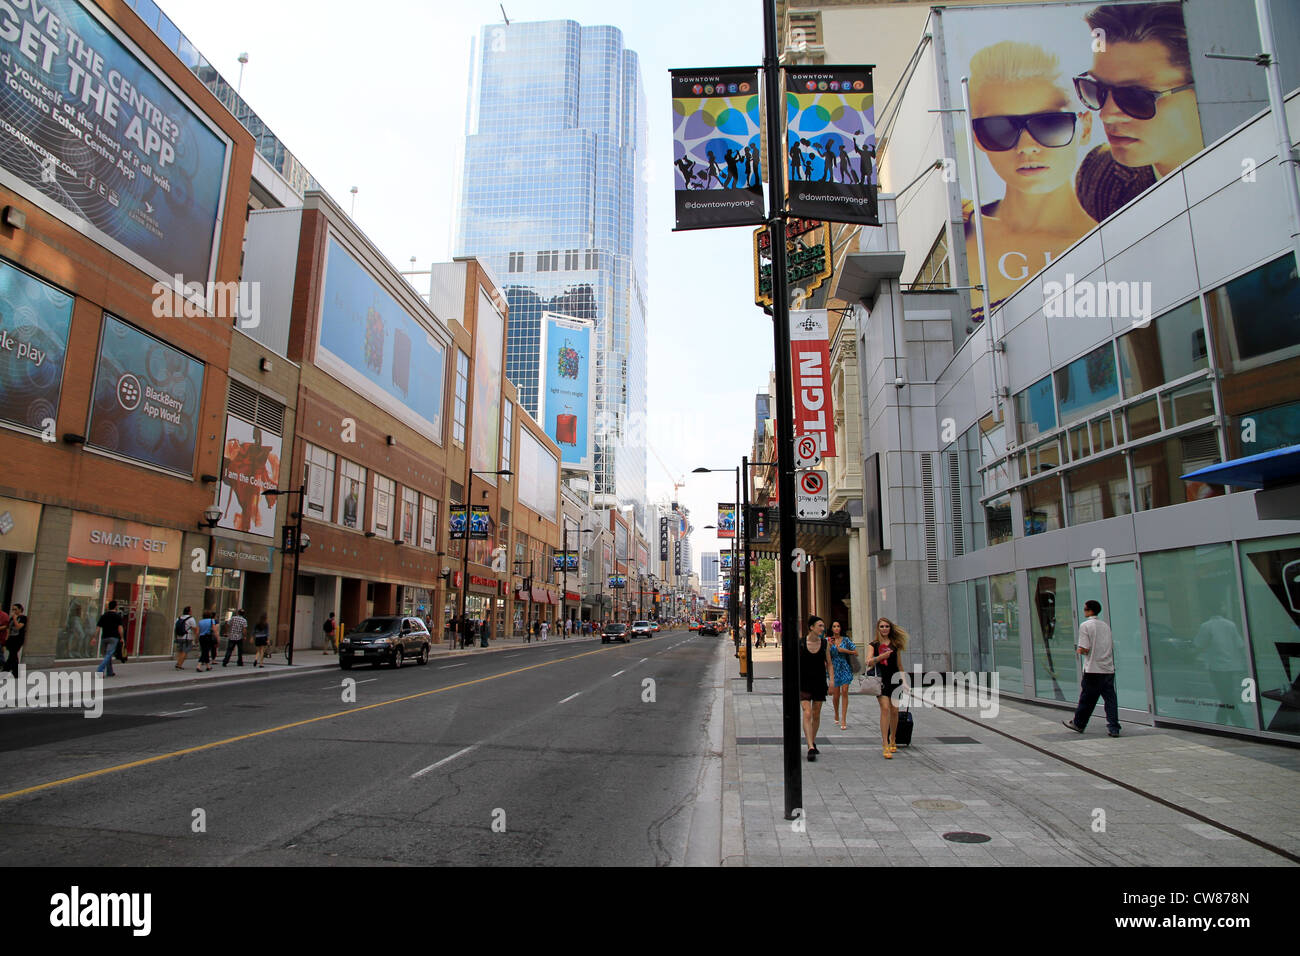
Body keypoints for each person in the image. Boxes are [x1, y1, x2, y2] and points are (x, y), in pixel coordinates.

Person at [964, 40, 1097, 323]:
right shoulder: (959, 235)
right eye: (999, 129)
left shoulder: (1112, 242)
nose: (1026, 147)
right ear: (977, 138)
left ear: (1084, 126)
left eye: (1049, 124)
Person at [1073, 3, 1203, 223]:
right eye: (1097, 90)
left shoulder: (1262, 163)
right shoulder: (1100, 175)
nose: (1106, 115)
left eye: (1136, 97)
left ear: (1204, 90)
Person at [1063, 599, 1121, 737]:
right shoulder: (1105, 626)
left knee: (1087, 699)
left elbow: (1084, 649)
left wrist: (1078, 650)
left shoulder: (1085, 625)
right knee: (1110, 700)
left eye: (1084, 609)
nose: (1084, 611)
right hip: (1108, 668)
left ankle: (1078, 723)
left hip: (1093, 669)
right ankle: (1114, 728)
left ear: (1089, 610)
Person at [866, 617, 909, 758]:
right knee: (885, 709)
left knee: (895, 710)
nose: (884, 629)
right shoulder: (873, 644)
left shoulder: (895, 645)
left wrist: (904, 682)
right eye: (882, 627)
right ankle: (885, 743)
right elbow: (868, 662)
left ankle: (893, 738)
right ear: (878, 629)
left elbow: (899, 665)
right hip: (881, 680)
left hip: (895, 679)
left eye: (887, 627)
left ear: (890, 628)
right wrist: (881, 656)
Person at [799, 616, 834, 762]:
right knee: (807, 713)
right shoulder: (801, 643)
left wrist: (832, 681)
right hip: (804, 682)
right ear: (811, 627)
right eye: (820, 625)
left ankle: (812, 741)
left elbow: (829, 663)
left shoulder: (825, 643)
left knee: (816, 713)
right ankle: (810, 746)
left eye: (823, 626)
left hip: (819, 682)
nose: (822, 628)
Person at [827, 621, 858, 731]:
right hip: (834, 668)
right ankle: (836, 713)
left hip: (845, 666)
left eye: (838, 626)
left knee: (844, 691)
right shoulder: (828, 641)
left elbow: (855, 652)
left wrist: (843, 650)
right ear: (831, 628)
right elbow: (825, 655)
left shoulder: (846, 640)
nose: (836, 628)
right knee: (836, 695)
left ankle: (844, 718)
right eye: (834, 626)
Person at [95, 600, 124, 677]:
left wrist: (94, 638)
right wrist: (122, 637)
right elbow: (120, 628)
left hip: (104, 637)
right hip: (113, 637)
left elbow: (98, 628)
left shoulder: (104, 615)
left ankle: (110, 672)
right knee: (109, 654)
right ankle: (99, 670)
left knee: (108, 655)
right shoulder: (117, 616)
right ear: (116, 607)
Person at [4, 603, 26, 677]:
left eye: (15, 609)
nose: (14, 611)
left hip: (18, 640)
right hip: (11, 639)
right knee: (12, 656)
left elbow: (18, 627)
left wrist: (15, 619)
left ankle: (5, 671)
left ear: (20, 609)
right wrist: (6, 639)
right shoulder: (11, 618)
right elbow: (8, 629)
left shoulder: (23, 618)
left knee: (12, 654)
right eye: (13, 609)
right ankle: (15, 672)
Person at [174, 605, 196, 670]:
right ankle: (179, 665)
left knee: (180, 651)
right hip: (187, 637)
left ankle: (178, 662)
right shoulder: (191, 619)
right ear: (189, 612)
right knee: (185, 651)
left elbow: (176, 627)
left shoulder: (179, 618)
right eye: (191, 611)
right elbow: (194, 628)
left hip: (179, 636)